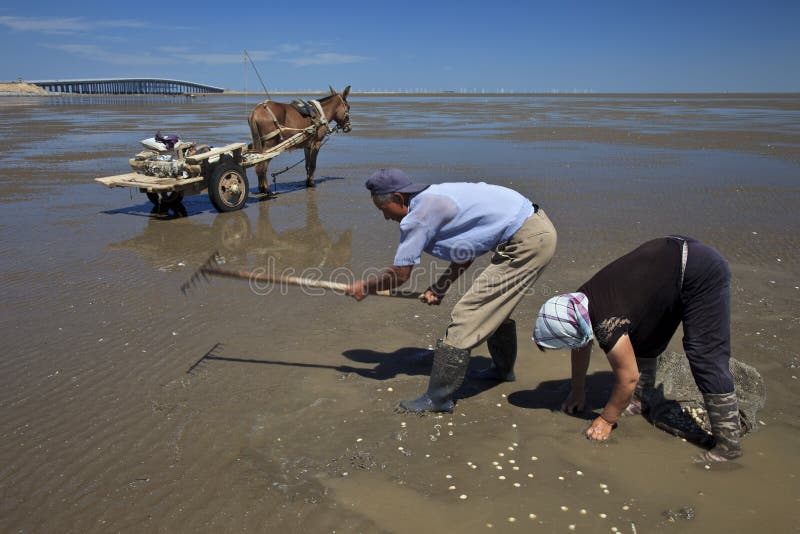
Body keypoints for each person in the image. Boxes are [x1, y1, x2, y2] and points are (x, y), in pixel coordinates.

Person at [346, 168, 557, 413]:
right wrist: (441, 286)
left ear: (398, 198)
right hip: (533, 230)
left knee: (469, 312)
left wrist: (365, 287)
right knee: (494, 307)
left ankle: (438, 399)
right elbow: (467, 248)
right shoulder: (433, 197)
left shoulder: (418, 217)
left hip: (528, 240)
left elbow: (399, 276)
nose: (385, 218)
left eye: (383, 210)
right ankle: (502, 371)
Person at [532, 236, 742, 462]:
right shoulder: (578, 303)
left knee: (703, 354)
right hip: (671, 264)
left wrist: (607, 419)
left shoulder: (604, 323)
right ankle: (641, 400)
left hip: (701, 270)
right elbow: (581, 345)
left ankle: (728, 445)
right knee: (641, 336)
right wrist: (577, 391)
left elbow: (629, 378)